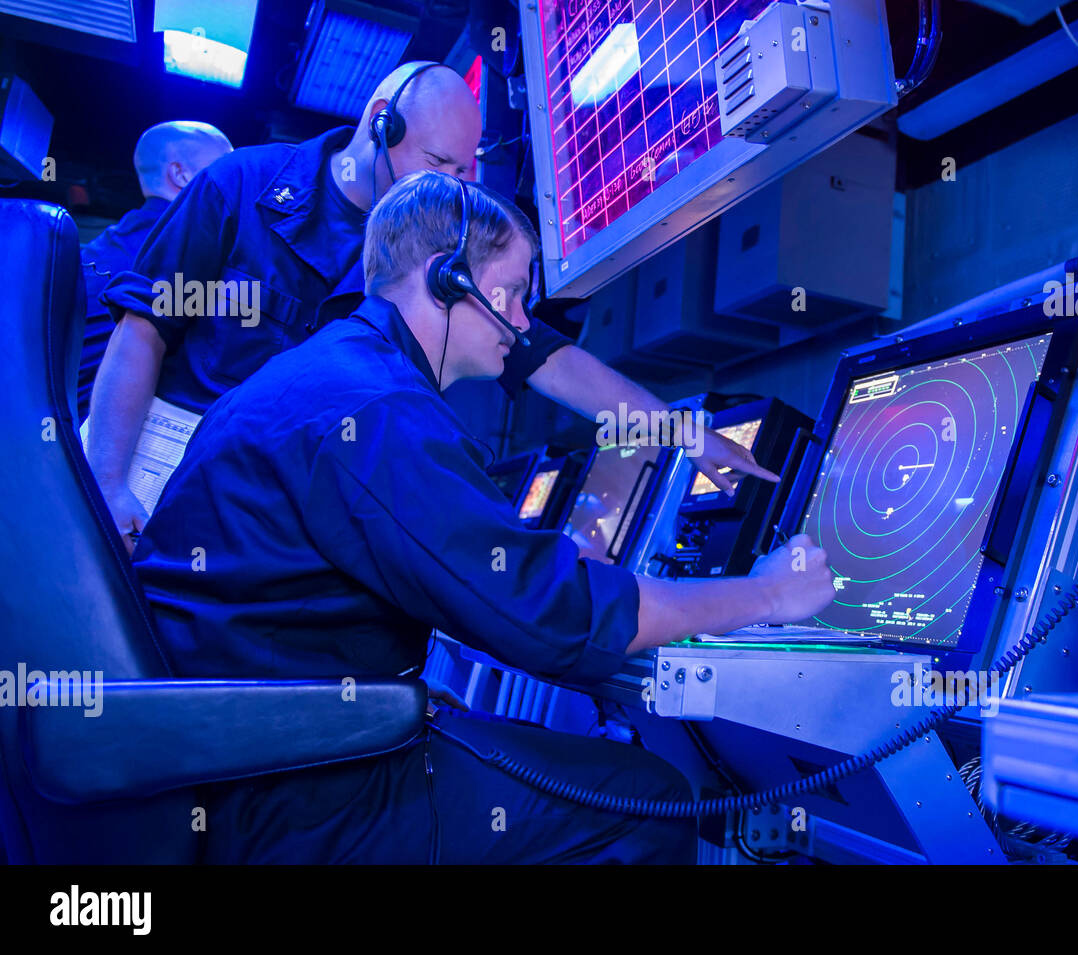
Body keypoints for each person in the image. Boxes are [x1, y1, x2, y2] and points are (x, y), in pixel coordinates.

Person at [130, 171, 835, 864]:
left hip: (231, 763)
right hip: (292, 801)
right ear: (449, 281)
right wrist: (770, 593)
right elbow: (553, 618)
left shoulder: (330, 371)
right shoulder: (381, 411)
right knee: (643, 798)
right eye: (517, 295)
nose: (524, 325)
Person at [87, 61, 775, 553]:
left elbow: (540, 355)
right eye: (439, 163)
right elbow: (141, 334)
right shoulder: (239, 185)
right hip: (171, 449)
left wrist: (679, 433)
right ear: (378, 127)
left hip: (292, 479)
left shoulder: (430, 242)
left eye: (465, 170)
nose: (454, 186)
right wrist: (110, 481)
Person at [77, 121, 232, 420]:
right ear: (180, 174)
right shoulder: (197, 250)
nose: (237, 182)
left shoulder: (99, 248)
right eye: (225, 168)